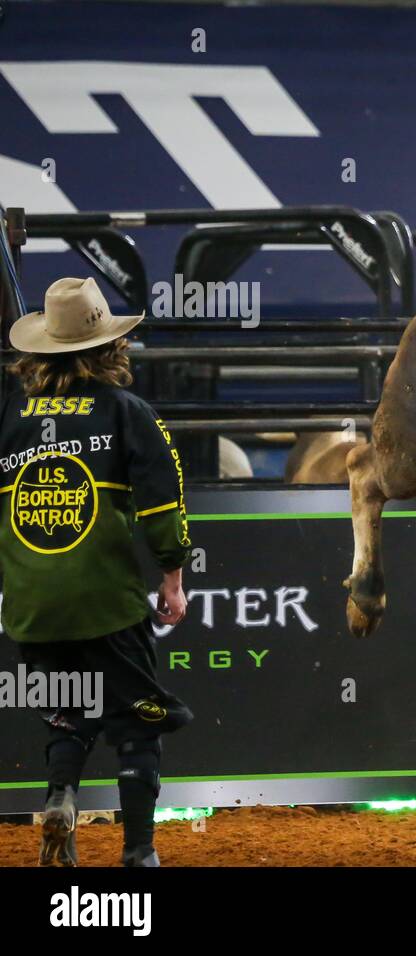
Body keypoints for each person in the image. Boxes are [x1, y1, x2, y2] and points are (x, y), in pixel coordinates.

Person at [1, 276, 193, 866]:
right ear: (109, 345)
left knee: (67, 711)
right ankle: (138, 852)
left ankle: (61, 796)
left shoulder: (8, 412)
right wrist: (172, 575)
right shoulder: (126, 410)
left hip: (32, 605)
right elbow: (163, 499)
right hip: (106, 602)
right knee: (138, 724)